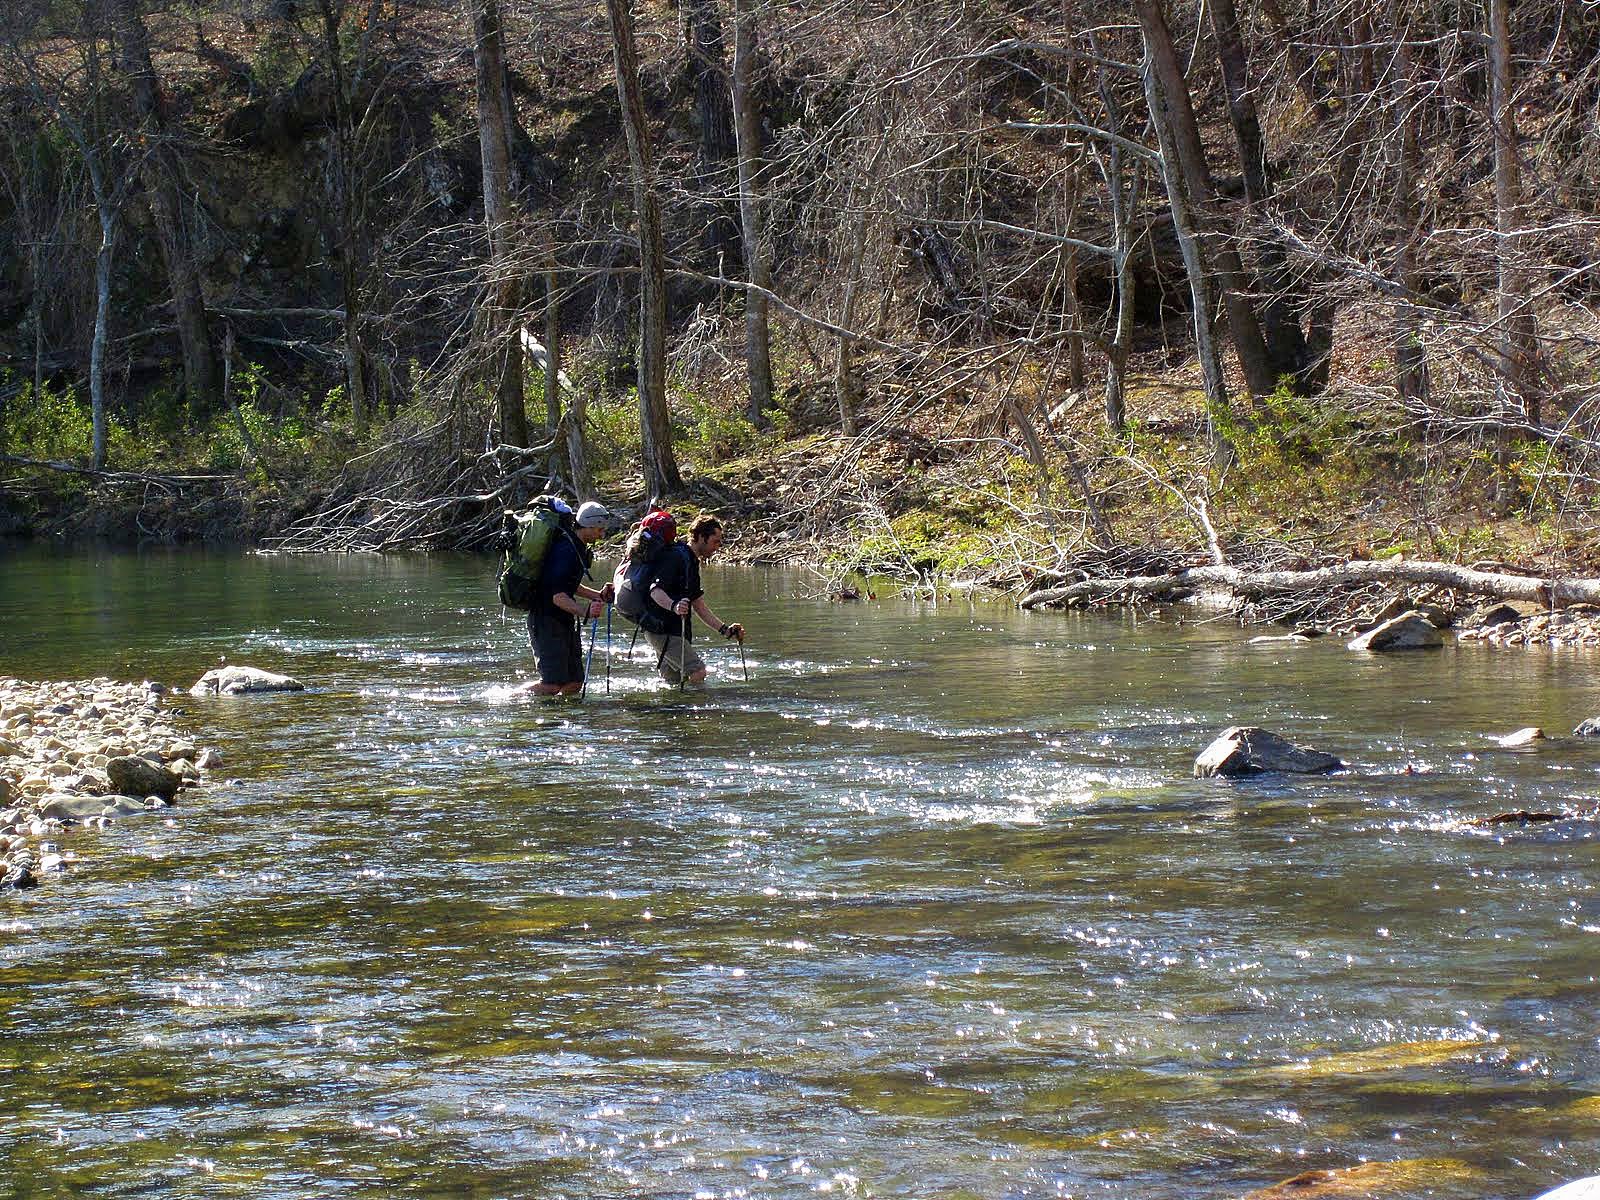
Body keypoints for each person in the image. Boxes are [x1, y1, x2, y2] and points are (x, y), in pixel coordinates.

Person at [641, 512, 745, 686]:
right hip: (661, 630)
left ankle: (672, 712)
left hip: (672, 632)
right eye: (715, 541)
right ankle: (697, 710)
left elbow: (699, 605)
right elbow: (655, 590)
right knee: (698, 671)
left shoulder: (691, 561)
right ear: (701, 537)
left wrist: (726, 631)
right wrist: (674, 606)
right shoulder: (677, 557)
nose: (718, 546)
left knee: (674, 682)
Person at [528, 500, 613, 696]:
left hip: (563, 620)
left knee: (574, 683)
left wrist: (598, 596)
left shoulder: (578, 547)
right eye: (600, 529)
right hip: (545, 620)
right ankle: (508, 700)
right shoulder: (566, 551)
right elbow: (557, 597)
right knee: (552, 685)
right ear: (588, 526)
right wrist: (586, 612)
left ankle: (567, 718)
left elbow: (568, 586)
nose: (602, 534)